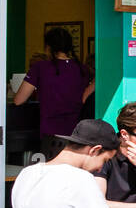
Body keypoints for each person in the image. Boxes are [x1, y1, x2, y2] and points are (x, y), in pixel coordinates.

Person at [12, 27, 93, 160]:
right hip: (76, 134)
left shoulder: (40, 68)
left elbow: (18, 100)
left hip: (50, 135)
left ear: (48, 46)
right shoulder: (81, 69)